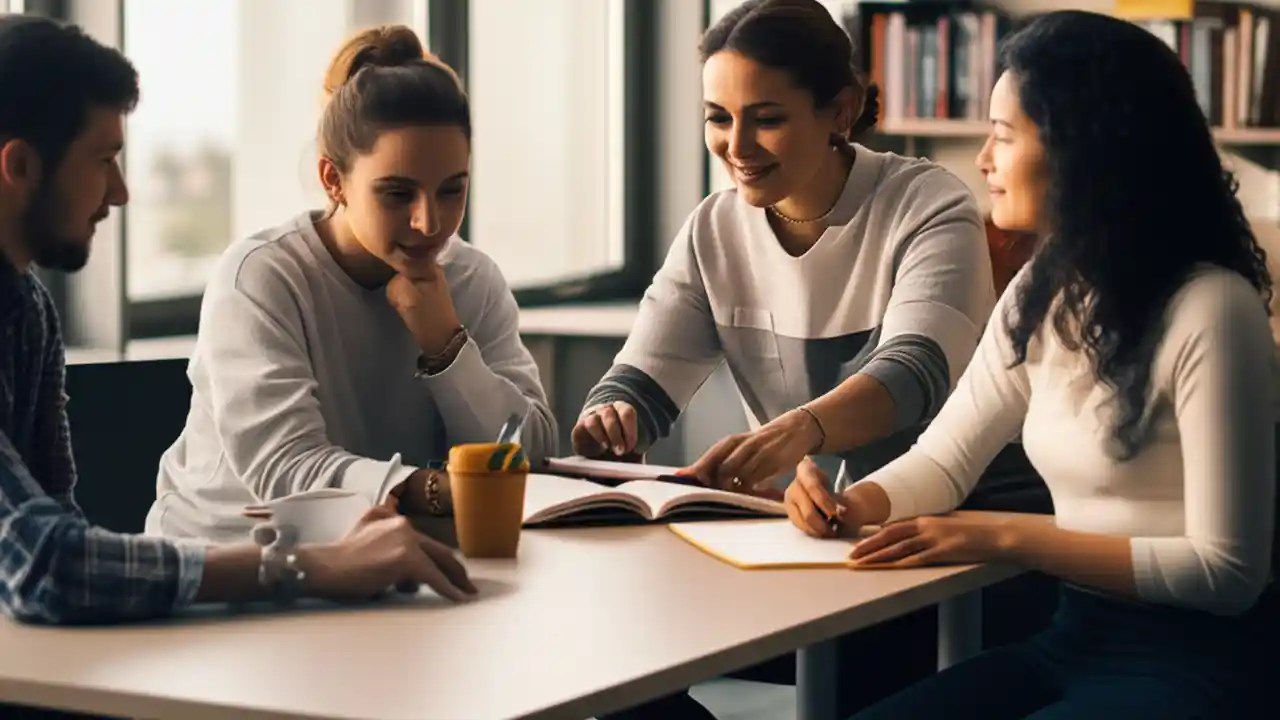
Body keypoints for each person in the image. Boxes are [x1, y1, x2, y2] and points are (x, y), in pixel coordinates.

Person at [787, 11, 1276, 719]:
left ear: (1087, 150)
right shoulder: (1040, 292)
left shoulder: (1213, 309)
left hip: (1202, 662)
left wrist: (1011, 536)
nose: (983, 159)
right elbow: (944, 465)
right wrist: (848, 508)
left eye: (1004, 136)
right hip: (1071, 641)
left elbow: (1227, 574)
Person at [580, 1, 1052, 717]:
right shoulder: (713, 228)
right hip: (813, 546)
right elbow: (642, 376)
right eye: (717, 117)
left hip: (957, 557)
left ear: (840, 110)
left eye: (765, 117)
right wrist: (611, 414)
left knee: (862, 682)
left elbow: (913, 374)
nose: (736, 145)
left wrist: (798, 429)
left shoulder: (928, 204)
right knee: (616, 663)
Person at [0, 15, 476, 630]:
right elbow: (46, 564)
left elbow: (59, 538)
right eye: (104, 160)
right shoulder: (261, 272)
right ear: (19, 167)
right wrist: (304, 567)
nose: (120, 193)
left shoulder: (26, 310)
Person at [146, 26, 556, 544]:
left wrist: (449, 348)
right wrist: (430, 489)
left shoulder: (473, 279)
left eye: (452, 191)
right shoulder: (259, 277)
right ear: (333, 179)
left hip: (385, 560)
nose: (429, 223)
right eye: (397, 194)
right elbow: (285, 468)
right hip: (225, 565)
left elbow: (533, 451)